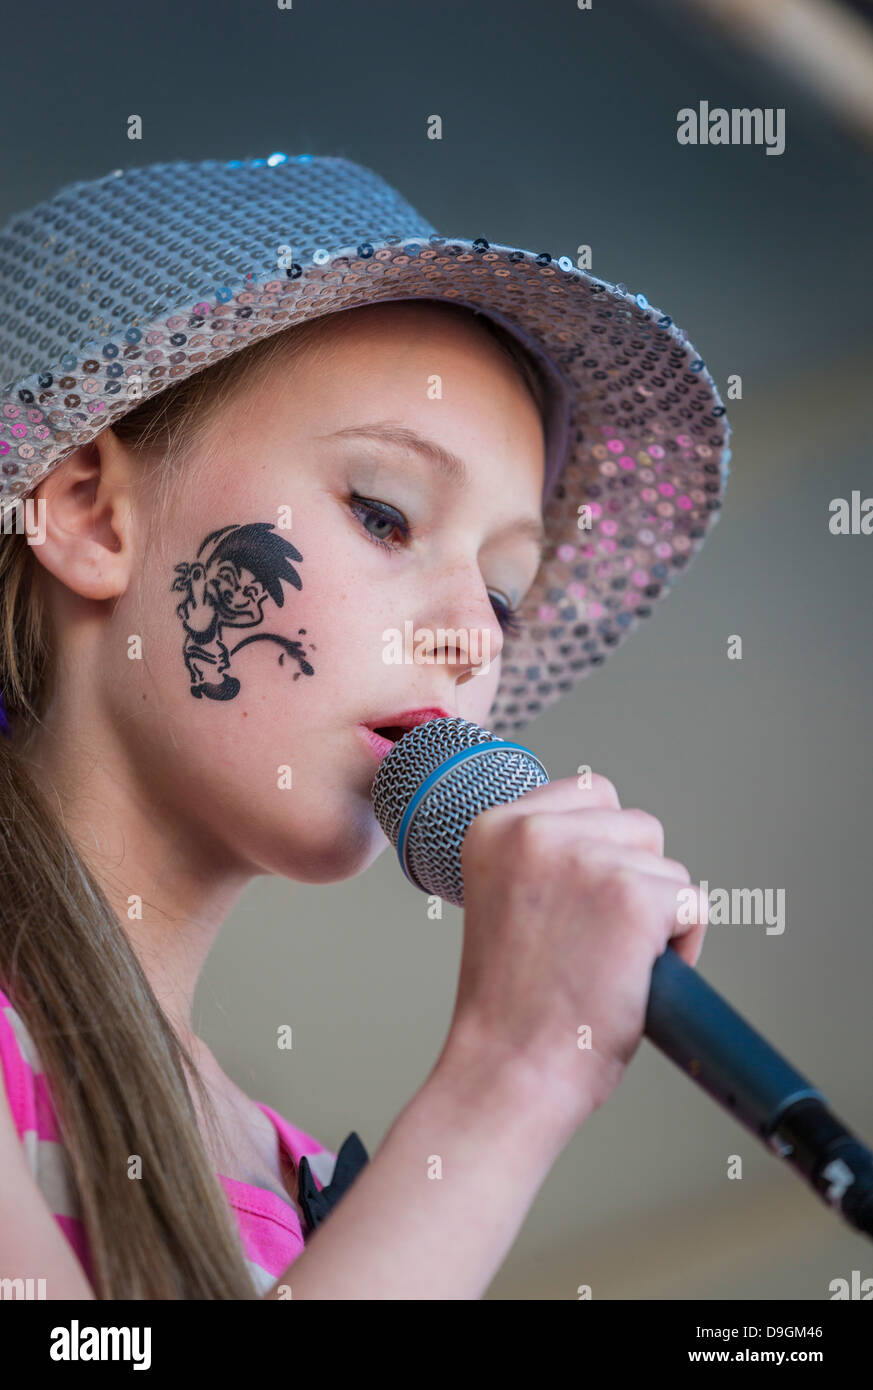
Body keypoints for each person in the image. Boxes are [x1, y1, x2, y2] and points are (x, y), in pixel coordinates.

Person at [0, 153, 728, 1299]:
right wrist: (511, 1077)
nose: (473, 641)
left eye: (502, 596)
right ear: (90, 511)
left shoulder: (304, 1183)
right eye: (385, 513)